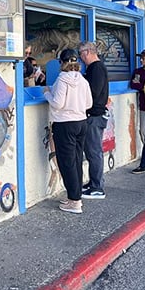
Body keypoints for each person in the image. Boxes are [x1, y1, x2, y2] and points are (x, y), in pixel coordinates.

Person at [43, 49, 92, 214]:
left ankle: (74, 201)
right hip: (81, 122)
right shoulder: (83, 80)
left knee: (67, 163)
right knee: (77, 160)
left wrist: (47, 94)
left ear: (61, 62)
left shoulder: (62, 79)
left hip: (64, 124)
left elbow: (57, 103)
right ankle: (75, 196)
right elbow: (88, 104)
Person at [78, 41, 109, 200]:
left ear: (87, 52)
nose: (81, 58)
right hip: (95, 115)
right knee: (92, 152)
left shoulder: (96, 68)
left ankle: (97, 187)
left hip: (94, 116)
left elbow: (93, 91)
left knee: (94, 152)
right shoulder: (95, 68)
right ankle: (94, 183)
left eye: (81, 54)